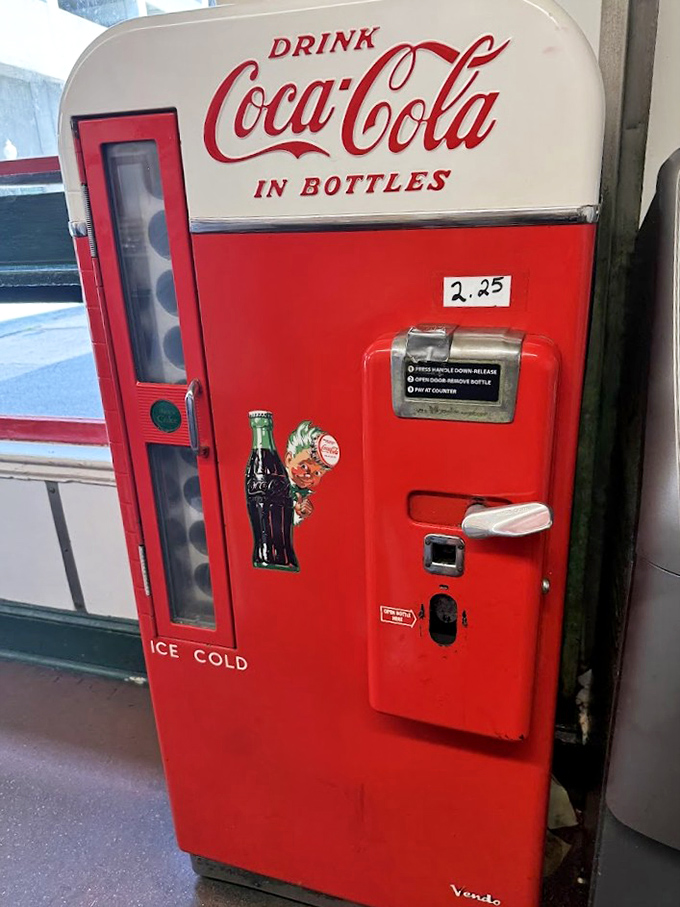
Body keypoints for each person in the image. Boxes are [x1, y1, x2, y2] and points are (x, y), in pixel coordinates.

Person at [284, 420, 339, 524]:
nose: (309, 475)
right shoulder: (277, 482)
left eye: (317, 473)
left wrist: (299, 513)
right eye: (303, 466)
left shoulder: (300, 493)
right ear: (289, 459)